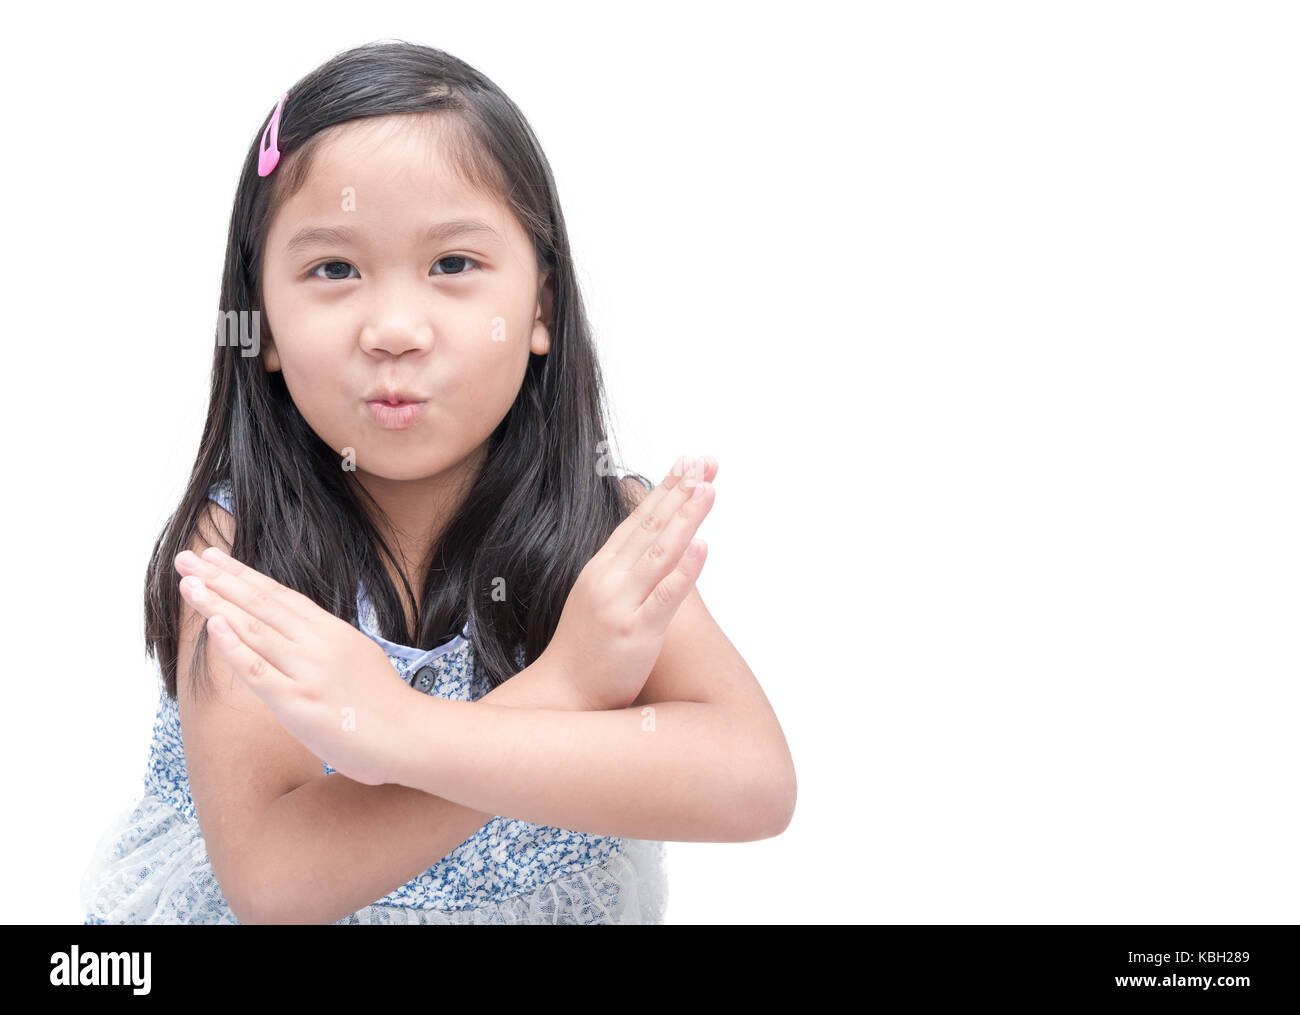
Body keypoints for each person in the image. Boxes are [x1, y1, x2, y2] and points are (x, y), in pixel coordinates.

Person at [81, 39, 795, 925]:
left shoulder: (599, 531)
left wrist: (404, 735)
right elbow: (273, 883)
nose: (394, 329)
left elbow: (754, 784)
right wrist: (563, 690)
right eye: (334, 270)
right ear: (260, 322)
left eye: (453, 265)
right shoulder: (240, 552)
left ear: (540, 308)